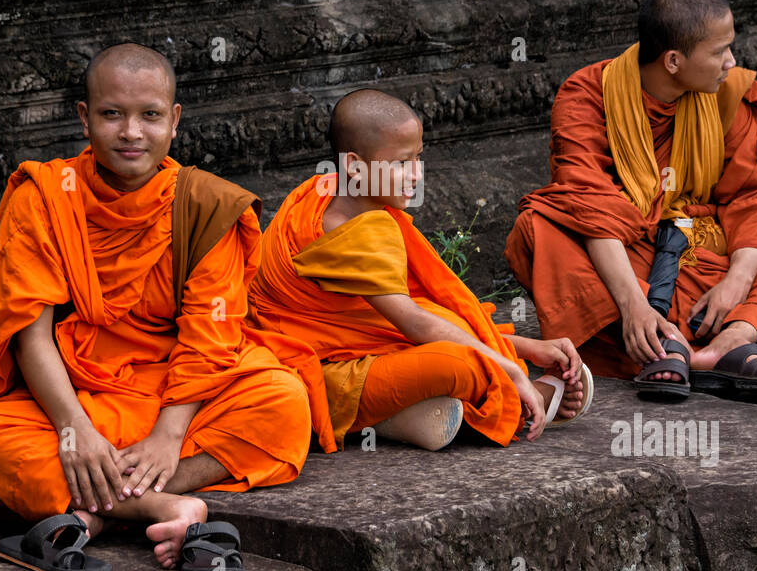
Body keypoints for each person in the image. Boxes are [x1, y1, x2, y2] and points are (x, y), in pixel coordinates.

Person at [0, 43, 314, 571]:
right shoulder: (45, 196)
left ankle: (90, 513)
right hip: (78, 397)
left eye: (150, 115)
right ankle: (166, 508)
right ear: (85, 117)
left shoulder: (205, 206)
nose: (131, 133)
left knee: (282, 402)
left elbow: (209, 341)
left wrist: (168, 437)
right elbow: (30, 336)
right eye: (112, 114)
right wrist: (74, 430)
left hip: (172, 398)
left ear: (175, 121)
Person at [505, 0, 757, 399]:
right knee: (536, 230)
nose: (731, 61)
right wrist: (633, 304)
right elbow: (588, 203)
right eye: (718, 51)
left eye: (730, 47)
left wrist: (737, 285)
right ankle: (668, 338)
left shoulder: (730, 97)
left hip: (701, 251)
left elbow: (753, 197)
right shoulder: (588, 95)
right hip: (626, 255)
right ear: (673, 60)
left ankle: (725, 342)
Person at [248, 89, 589, 453]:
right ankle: (366, 411)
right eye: (400, 163)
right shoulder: (348, 228)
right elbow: (416, 325)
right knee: (458, 365)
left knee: (453, 326)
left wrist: (523, 347)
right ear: (354, 166)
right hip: (321, 373)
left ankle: (402, 417)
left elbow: (394, 319)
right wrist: (513, 368)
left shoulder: (326, 191)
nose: (416, 175)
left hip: (365, 352)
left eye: (418, 158)